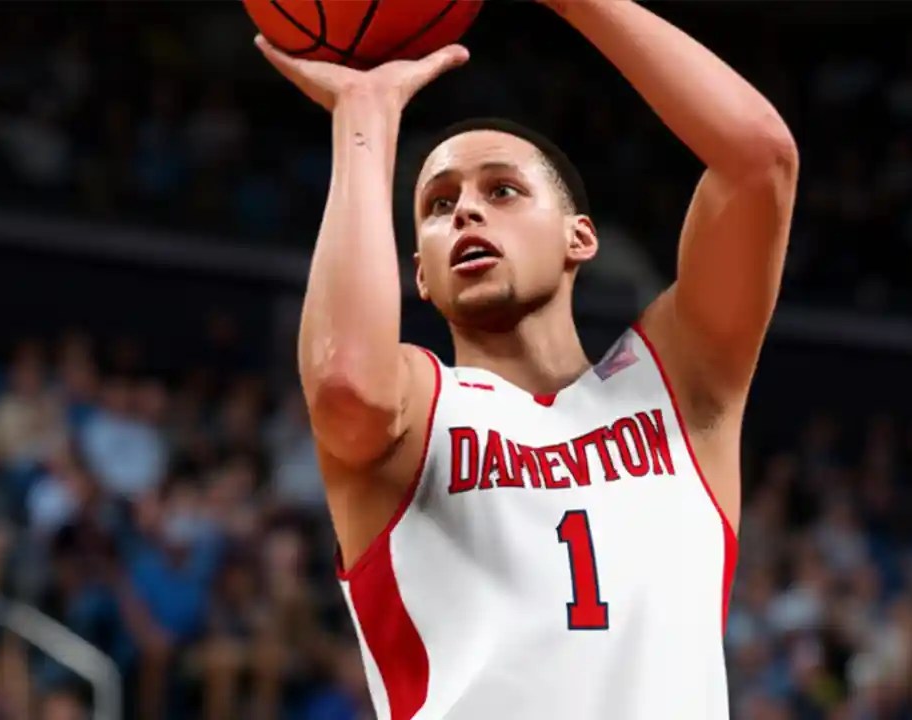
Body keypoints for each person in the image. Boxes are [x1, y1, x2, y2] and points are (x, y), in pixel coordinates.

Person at [255, 1, 798, 717]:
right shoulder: (420, 408)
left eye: (502, 190)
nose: (467, 213)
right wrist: (363, 114)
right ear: (421, 274)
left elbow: (761, 159)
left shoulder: (678, 391)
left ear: (580, 237)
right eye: (439, 205)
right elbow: (345, 384)